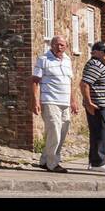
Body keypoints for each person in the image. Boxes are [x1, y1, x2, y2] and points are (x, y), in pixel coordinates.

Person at [32, 34, 79, 173]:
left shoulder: (68, 60)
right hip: (50, 100)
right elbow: (35, 81)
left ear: (66, 46)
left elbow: (70, 82)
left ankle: (45, 160)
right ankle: (53, 164)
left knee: (62, 132)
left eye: (62, 45)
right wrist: (35, 101)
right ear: (51, 45)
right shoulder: (43, 59)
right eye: (56, 44)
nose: (59, 47)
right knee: (54, 132)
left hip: (65, 102)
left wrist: (73, 100)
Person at [80, 41, 105, 174]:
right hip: (99, 106)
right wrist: (89, 103)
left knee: (99, 133)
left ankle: (95, 161)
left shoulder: (99, 65)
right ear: (95, 52)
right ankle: (99, 162)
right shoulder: (95, 64)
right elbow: (85, 84)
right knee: (102, 132)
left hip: (103, 105)